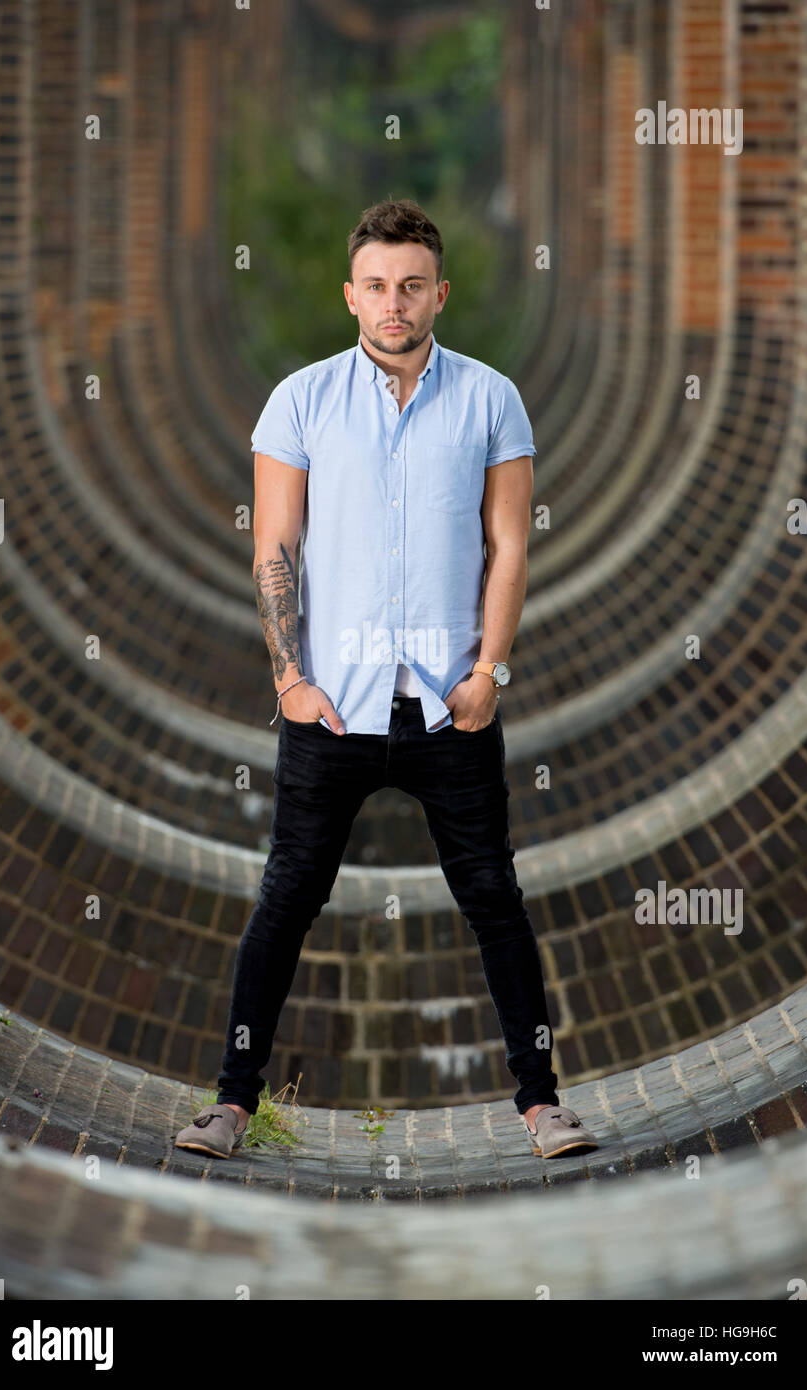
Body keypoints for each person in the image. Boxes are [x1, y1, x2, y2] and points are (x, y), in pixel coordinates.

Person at [175, 198, 599, 1162]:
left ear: (438, 293)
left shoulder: (493, 399)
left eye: (411, 286)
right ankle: (233, 1103)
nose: (393, 303)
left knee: (493, 896)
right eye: (376, 286)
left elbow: (508, 550)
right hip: (333, 707)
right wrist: (288, 678)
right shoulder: (300, 401)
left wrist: (488, 673)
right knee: (286, 896)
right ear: (349, 296)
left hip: (451, 704)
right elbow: (273, 546)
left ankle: (542, 1105)